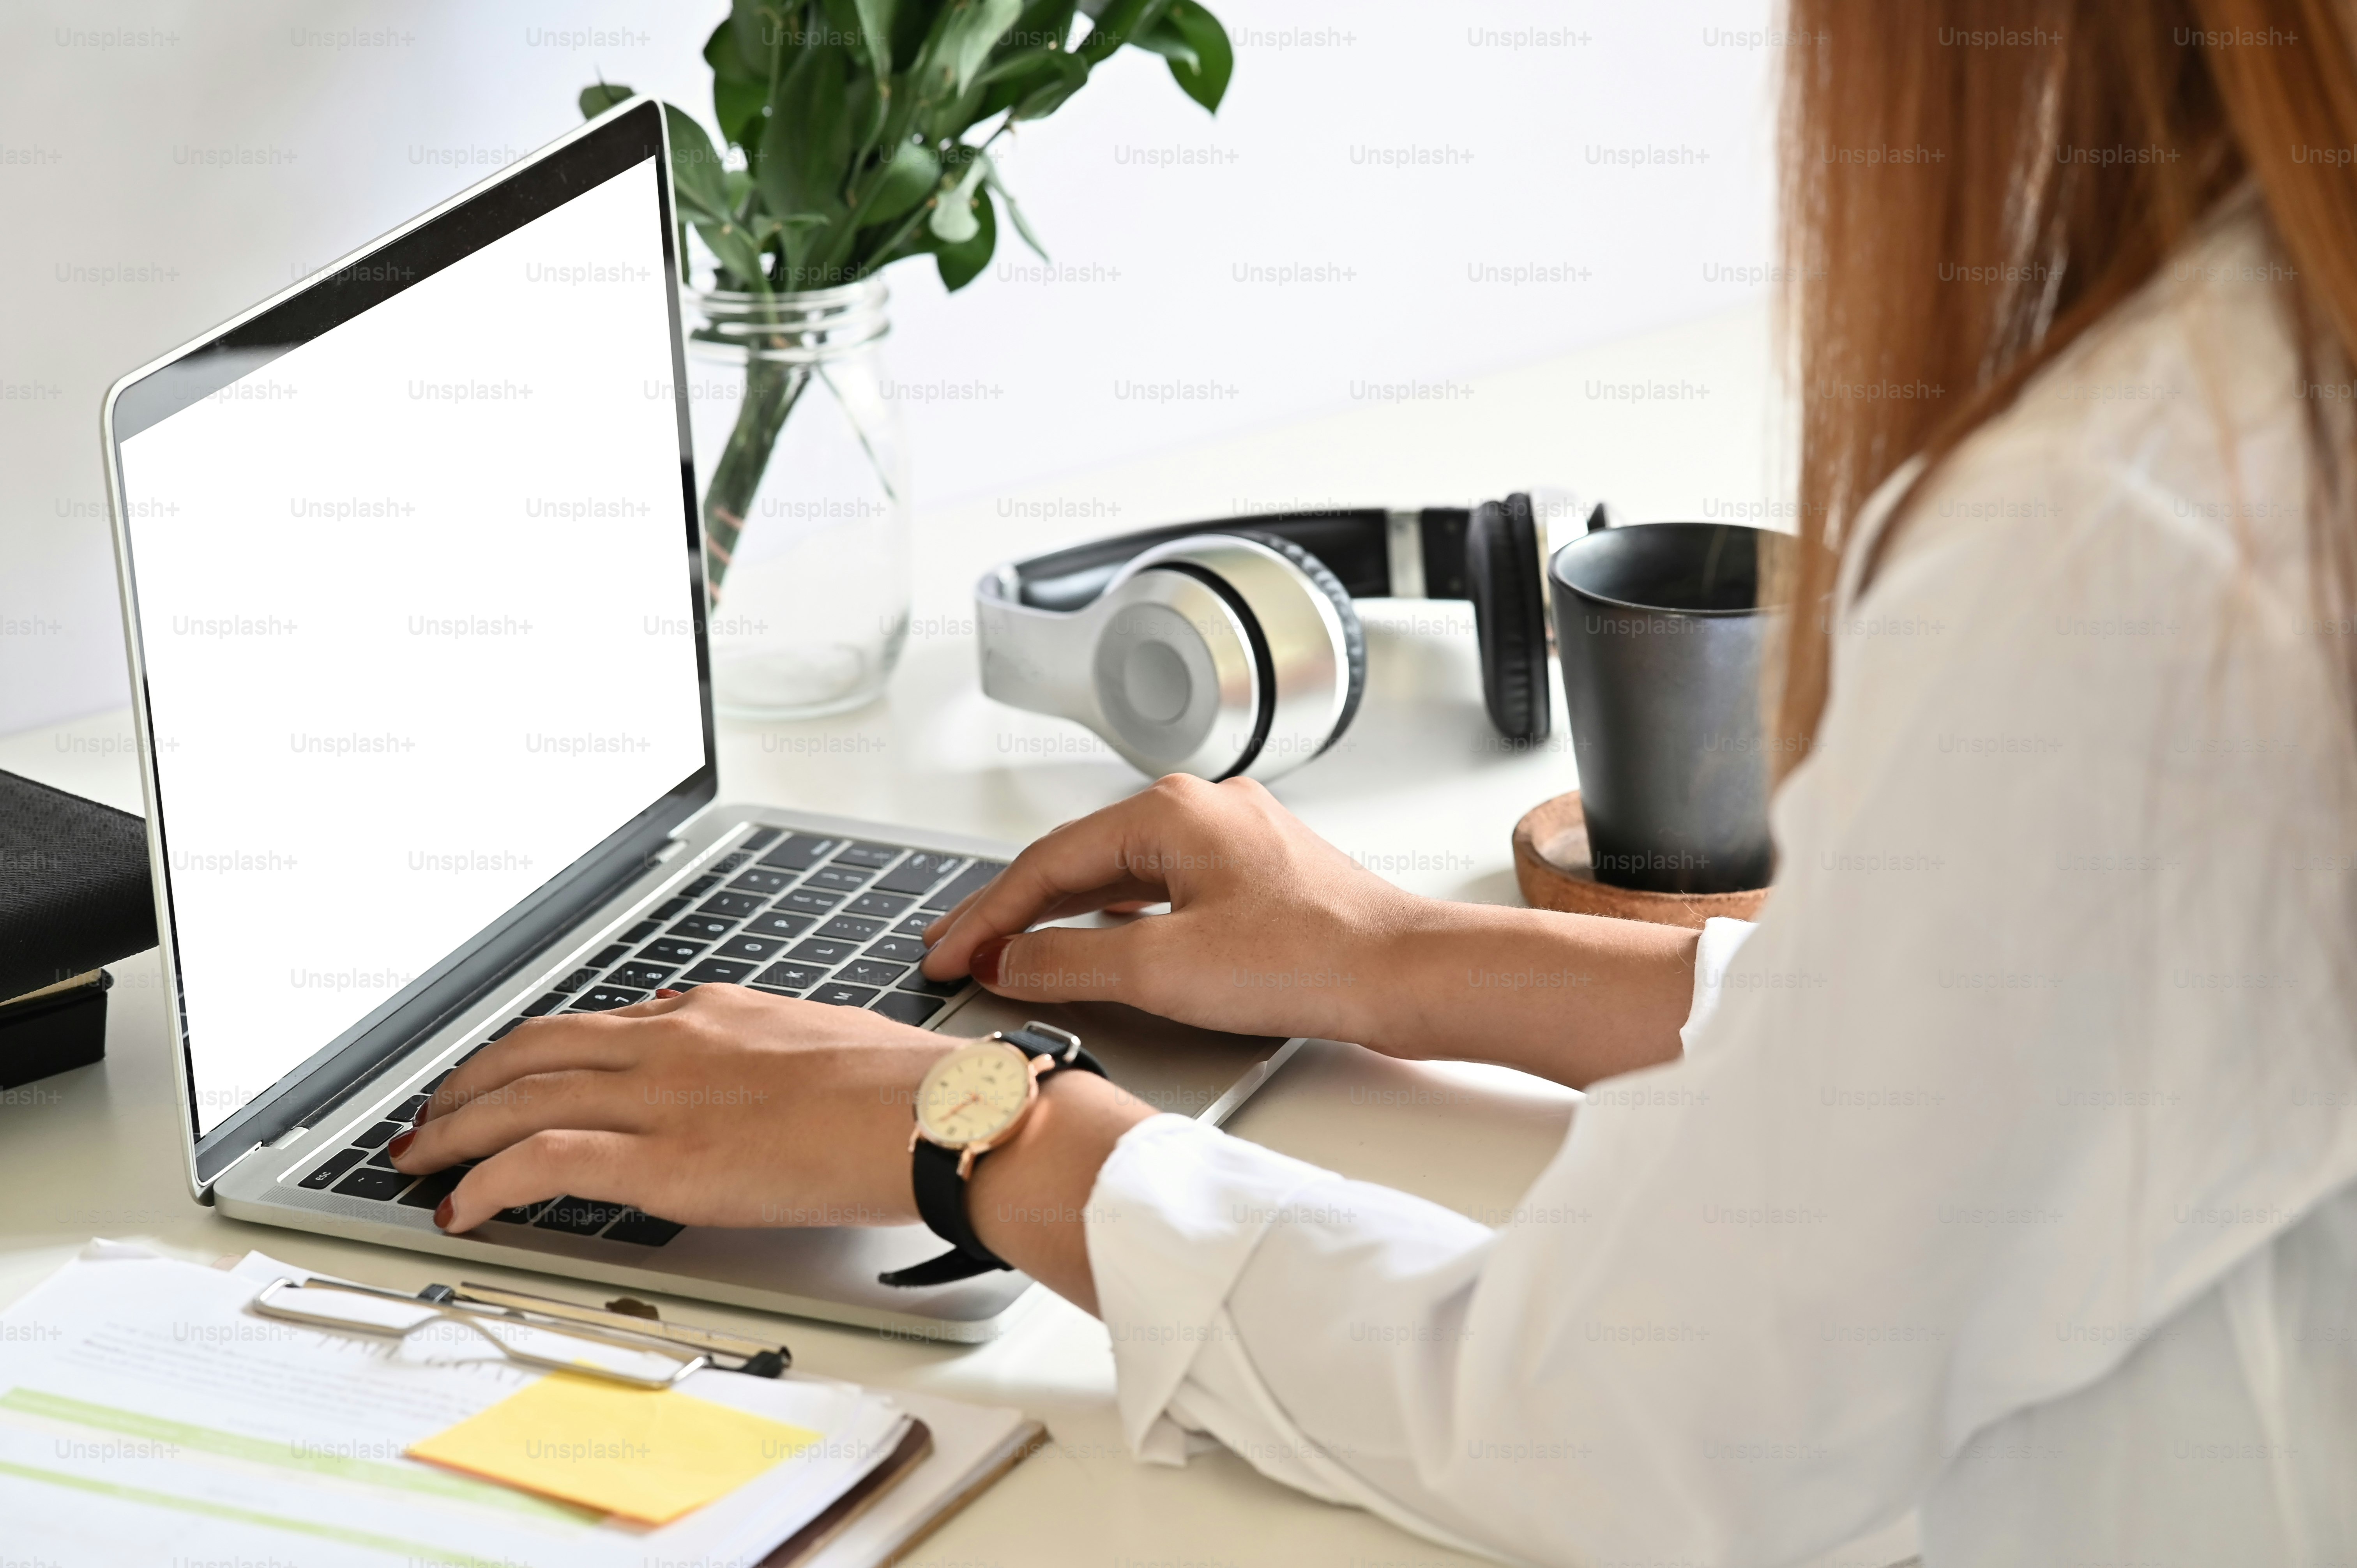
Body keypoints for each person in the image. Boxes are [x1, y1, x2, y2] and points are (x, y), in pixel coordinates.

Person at [390, 8, 2357, 1563]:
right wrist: (1416, 960)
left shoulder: (2151, 529)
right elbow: (2080, 1031)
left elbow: (1620, 1423)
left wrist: (985, 1131)